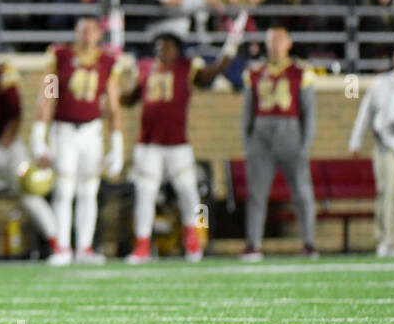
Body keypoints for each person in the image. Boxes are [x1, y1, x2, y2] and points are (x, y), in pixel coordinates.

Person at [121, 24, 240, 264]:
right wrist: (113, 93)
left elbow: (209, 74)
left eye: (166, 45)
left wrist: (228, 53)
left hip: (177, 143)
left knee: (189, 192)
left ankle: (194, 240)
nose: (161, 50)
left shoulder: (187, 67)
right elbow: (131, 98)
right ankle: (142, 245)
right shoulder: (144, 68)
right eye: (158, 46)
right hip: (148, 143)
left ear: (177, 49)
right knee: (145, 193)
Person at [32, 17, 124, 265]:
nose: (86, 36)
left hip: (91, 131)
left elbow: (113, 104)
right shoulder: (59, 56)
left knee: (88, 190)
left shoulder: (107, 61)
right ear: (76, 33)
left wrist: (117, 142)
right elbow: (48, 95)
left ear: (98, 34)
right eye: (82, 30)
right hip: (64, 130)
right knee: (63, 190)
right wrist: (39, 132)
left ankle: (84, 247)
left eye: (91, 31)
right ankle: (62, 247)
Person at [0, 32, 58, 253]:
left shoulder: (1, 71)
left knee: (29, 191)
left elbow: (15, 110)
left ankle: (57, 243)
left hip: (6, 147)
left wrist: (6, 141)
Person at [240, 26, 317, 260]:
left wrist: (305, 145)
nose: (275, 45)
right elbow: (247, 113)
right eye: (271, 41)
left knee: (302, 192)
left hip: (290, 132)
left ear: (289, 43)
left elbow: (309, 113)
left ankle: (309, 243)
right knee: (257, 193)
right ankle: (254, 244)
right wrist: (248, 143)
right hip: (261, 135)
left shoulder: (300, 72)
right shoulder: (254, 72)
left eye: (280, 40)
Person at [348, 44, 394, 257]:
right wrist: (355, 142)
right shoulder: (381, 84)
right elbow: (365, 114)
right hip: (385, 143)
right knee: (386, 192)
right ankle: (383, 239)